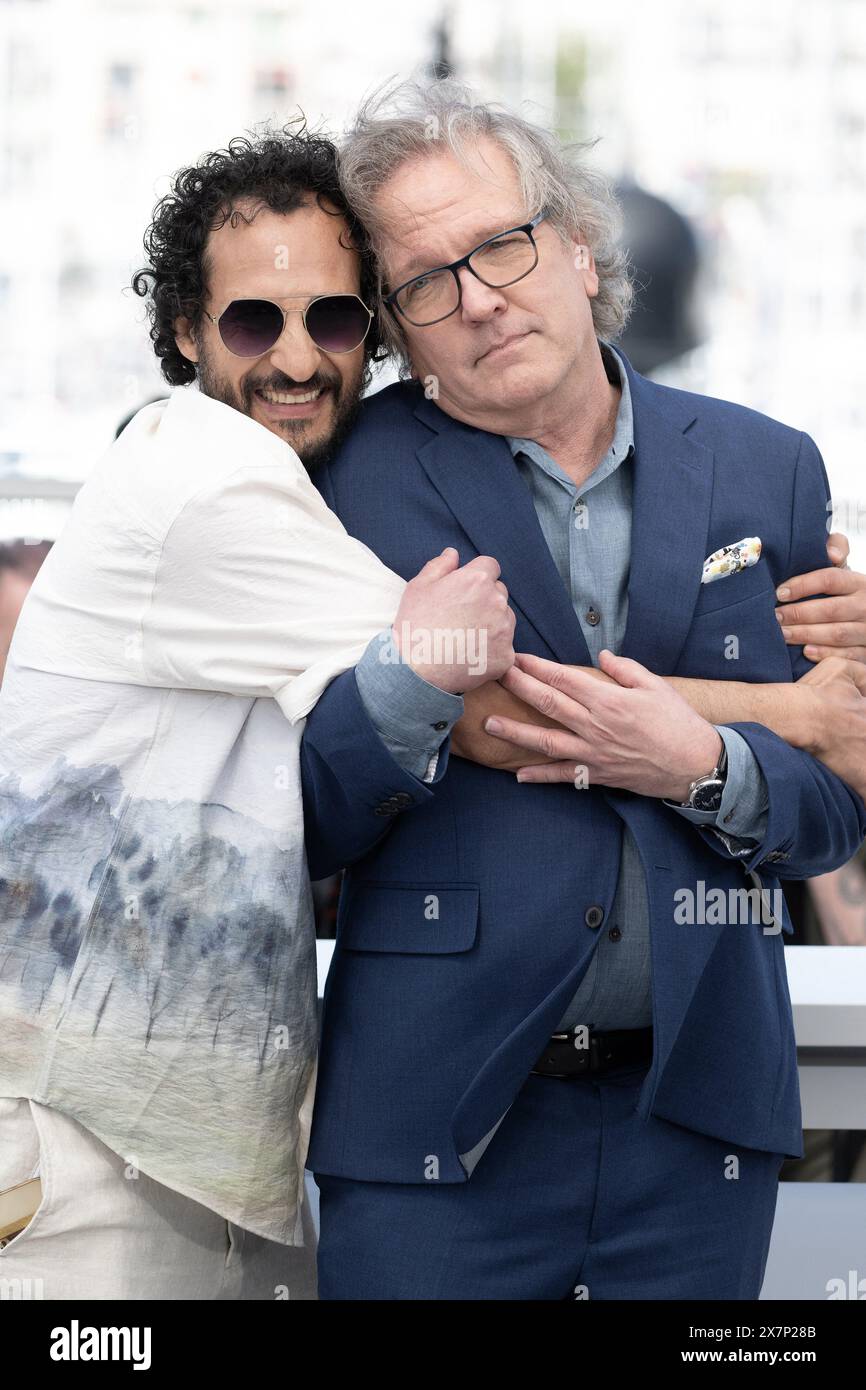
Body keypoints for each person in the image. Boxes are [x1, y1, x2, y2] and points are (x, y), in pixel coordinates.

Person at [298, 78, 866, 1300]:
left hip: (698, 1121)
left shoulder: (766, 468)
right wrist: (416, 697)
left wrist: (703, 766)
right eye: (426, 279)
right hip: (430, 1130)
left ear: (575, 242)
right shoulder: (345, 478)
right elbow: (294, 808)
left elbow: (835, 803)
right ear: (395, 323)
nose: (479, 299)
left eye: (499, 244)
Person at [0, 126, 514, 1299]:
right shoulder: (205, 480)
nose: (296, 357)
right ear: (186, 333)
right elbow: (484, 697)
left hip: (195, 1159)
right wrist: (795, 712)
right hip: (88, 1168)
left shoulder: (268, 483)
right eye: (252, 321)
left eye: (333, 319)